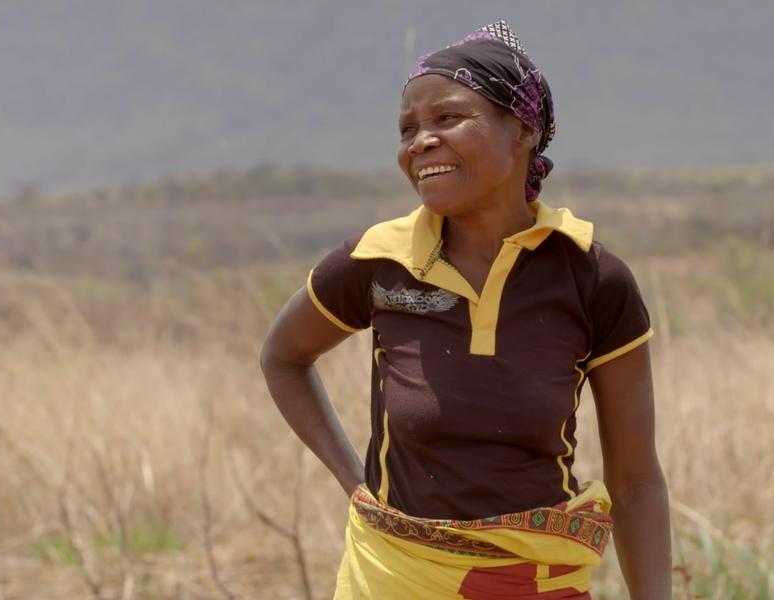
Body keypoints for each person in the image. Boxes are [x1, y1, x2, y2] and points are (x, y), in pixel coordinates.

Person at [260, 21, 671, 599]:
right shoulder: (380, 260)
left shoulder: (591, 278)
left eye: (447, 118)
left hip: (537, 581)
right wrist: (354, 481)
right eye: (409, 129)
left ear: (523, 129)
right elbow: (284, 357)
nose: (420, 142)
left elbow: (635, 483)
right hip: (395, 577)